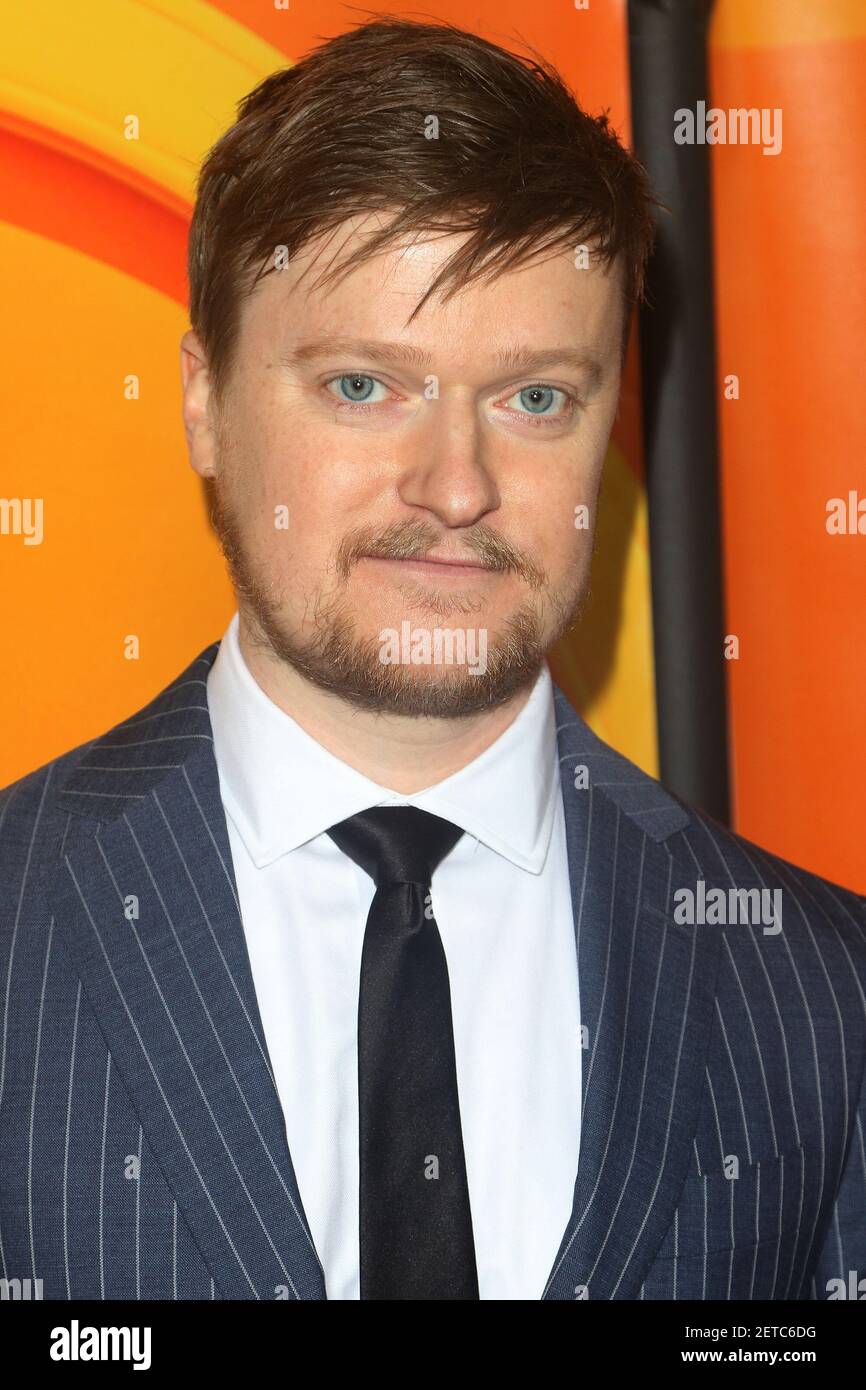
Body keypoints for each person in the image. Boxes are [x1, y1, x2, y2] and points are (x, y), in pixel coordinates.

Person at [1, 18, 864, 1302]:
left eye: (533, 397)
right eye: (363, 386)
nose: (455, 487)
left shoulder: (815, 985)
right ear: (202, 401)